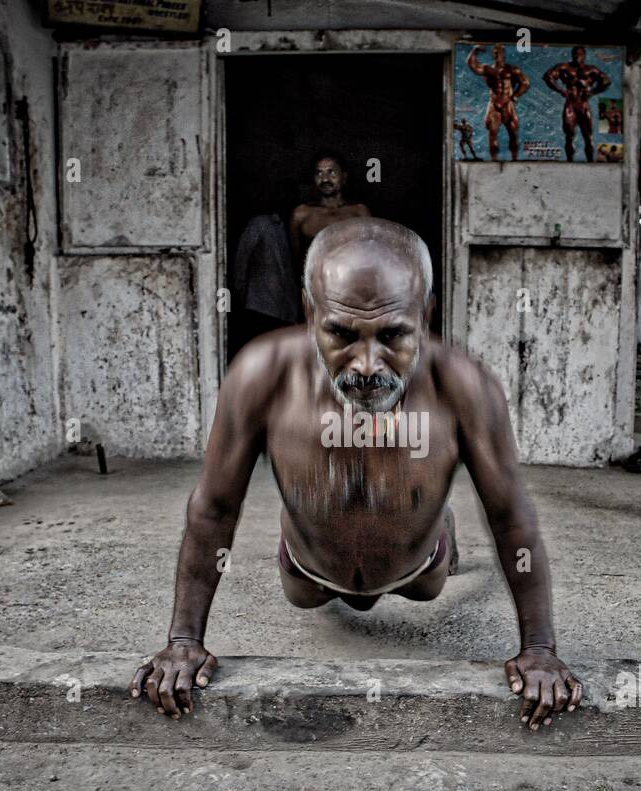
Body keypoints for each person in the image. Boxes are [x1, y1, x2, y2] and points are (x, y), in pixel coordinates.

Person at [131, 218, 582, 732]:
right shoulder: (262, 374)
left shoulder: (465, 386)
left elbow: (511, 517)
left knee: (428, 562)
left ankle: (439, 527)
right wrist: (184, 641)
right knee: (314, 560)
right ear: (309, 313)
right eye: (341, 334)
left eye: (393, 335)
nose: (367, 365)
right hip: (308, 573)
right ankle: (338, 517)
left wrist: (539, 649)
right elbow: (213, 509)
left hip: (420, 570)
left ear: (425, 315)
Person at [230, 179, 301, 362]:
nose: (288, 200)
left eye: (292, 196)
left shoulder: (295, 230)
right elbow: (240, 263)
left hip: (286, 313)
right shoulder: (260, 224)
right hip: (260, 309)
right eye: (284, 195)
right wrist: (241, 299)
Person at [288, 153, 370, 271]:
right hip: (315, 280)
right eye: (319, 173)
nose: (325, 179)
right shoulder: (301, 214)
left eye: (331, 172)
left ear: (344, 177)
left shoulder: (359, 212)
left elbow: (368, 255)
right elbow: (294, 261)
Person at [542, 46, 611, 162]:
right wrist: (560, 90)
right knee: (569, 136)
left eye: (579, 53)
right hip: (570, 105)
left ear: (584, 55)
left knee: (588, 136)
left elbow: (606, 81)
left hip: (584, 105)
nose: (577, 56)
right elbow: (548, 77)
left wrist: (592, 92)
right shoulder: (565, 67)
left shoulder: (591, 70)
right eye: (575, 53)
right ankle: (570, 162)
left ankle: (590, 163)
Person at [467, 44, 529, 161]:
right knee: (492, 133)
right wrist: (475, 50)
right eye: (495, 53)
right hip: (494, 105)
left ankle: (515, 160)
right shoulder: (488, 69)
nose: (496, 55)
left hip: (508, 105)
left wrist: (515, 95)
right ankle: (494, 162)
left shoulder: (511, 69)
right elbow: (472, 65)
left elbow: (525, 83)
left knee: (513, 134)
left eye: (498, 52)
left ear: (503, 54)